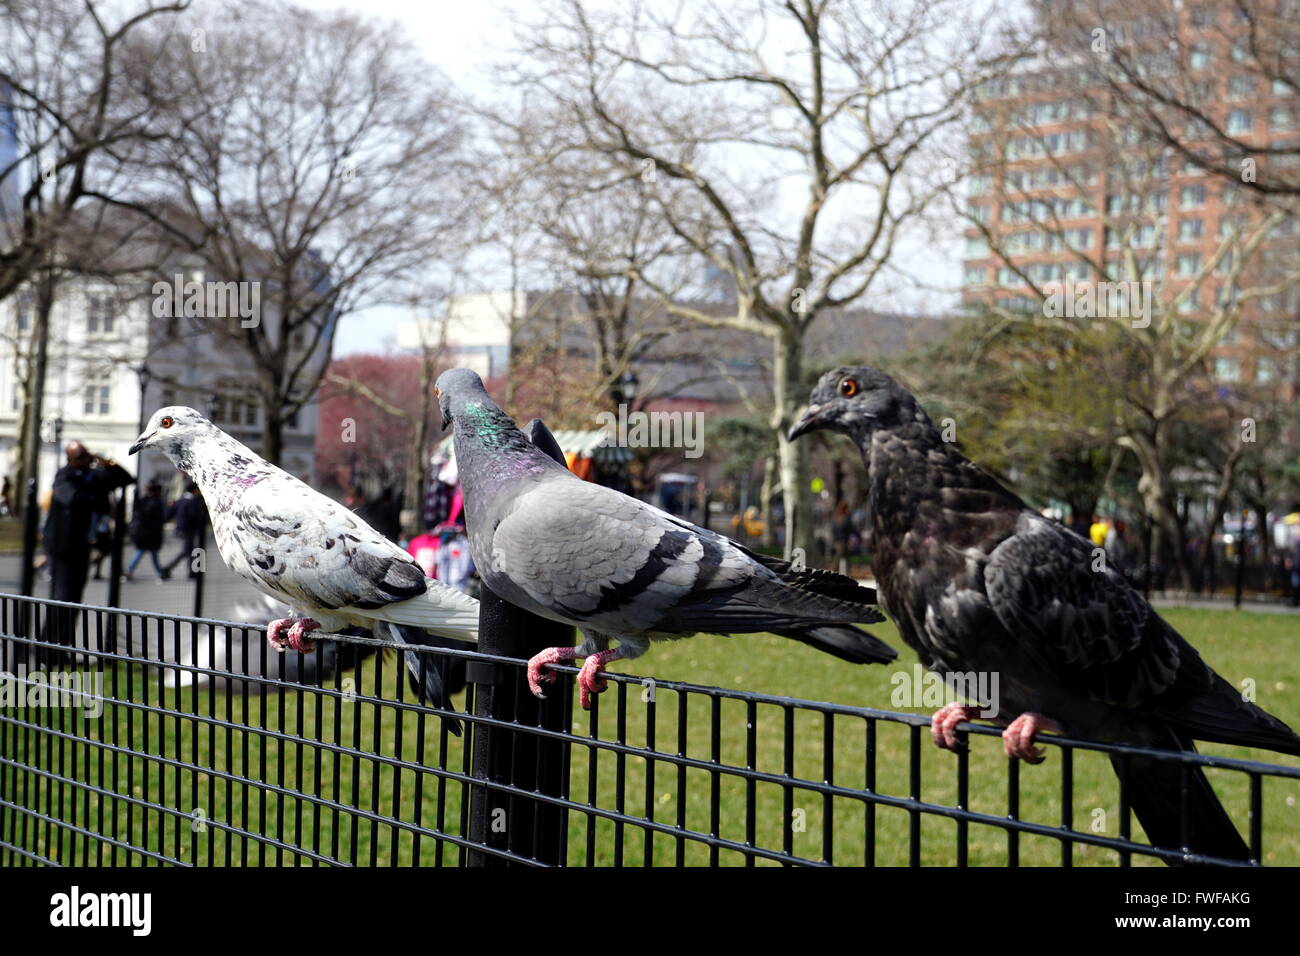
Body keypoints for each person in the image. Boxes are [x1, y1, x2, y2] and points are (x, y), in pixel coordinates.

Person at [41, 441, 133, 661]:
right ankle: (48, 649)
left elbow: (126, 479)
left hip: (82, 547)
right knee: (63, 598)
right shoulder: (65, 476)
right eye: (81, 456)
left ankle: (61, 649)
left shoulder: (93, 475)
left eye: (86, 456)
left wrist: (107, 462)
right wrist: (96, 498)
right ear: (71, 459)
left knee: (73, 600)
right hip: (63, 546)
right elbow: (72, 498)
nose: (86, 460)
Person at [162, 482, 207, 579]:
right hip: (189, 529)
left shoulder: (180, 500)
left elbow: (170, 513)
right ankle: (169, 569)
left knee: (188, 550)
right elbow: (195, 515)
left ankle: (191, 571)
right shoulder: (194, 502)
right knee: (189, 550)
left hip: (181, 529)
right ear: (194, 491)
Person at [124, 481, 167, 581]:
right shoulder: (154, 502)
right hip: (148, 533)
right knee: (147, 553)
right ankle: (159, 573)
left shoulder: (144, 501)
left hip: (144, 533)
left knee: (144, 553)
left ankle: (129, 571)